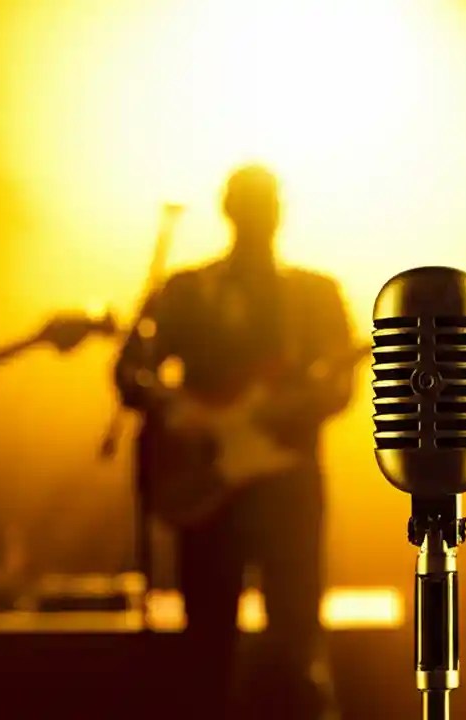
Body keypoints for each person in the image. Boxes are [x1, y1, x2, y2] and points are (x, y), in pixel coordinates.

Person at [114, 165, 354, 719]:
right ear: (229, 210)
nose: (257, 215)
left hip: (286, 486)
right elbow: (131, 372)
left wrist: (289, 406)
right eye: (248, 203)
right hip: (208, 488)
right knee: (207, 648)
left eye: (264, 203)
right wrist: (183, 410)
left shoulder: (314, 295)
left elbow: (341, 389)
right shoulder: (187, 290)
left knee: (295, 645)